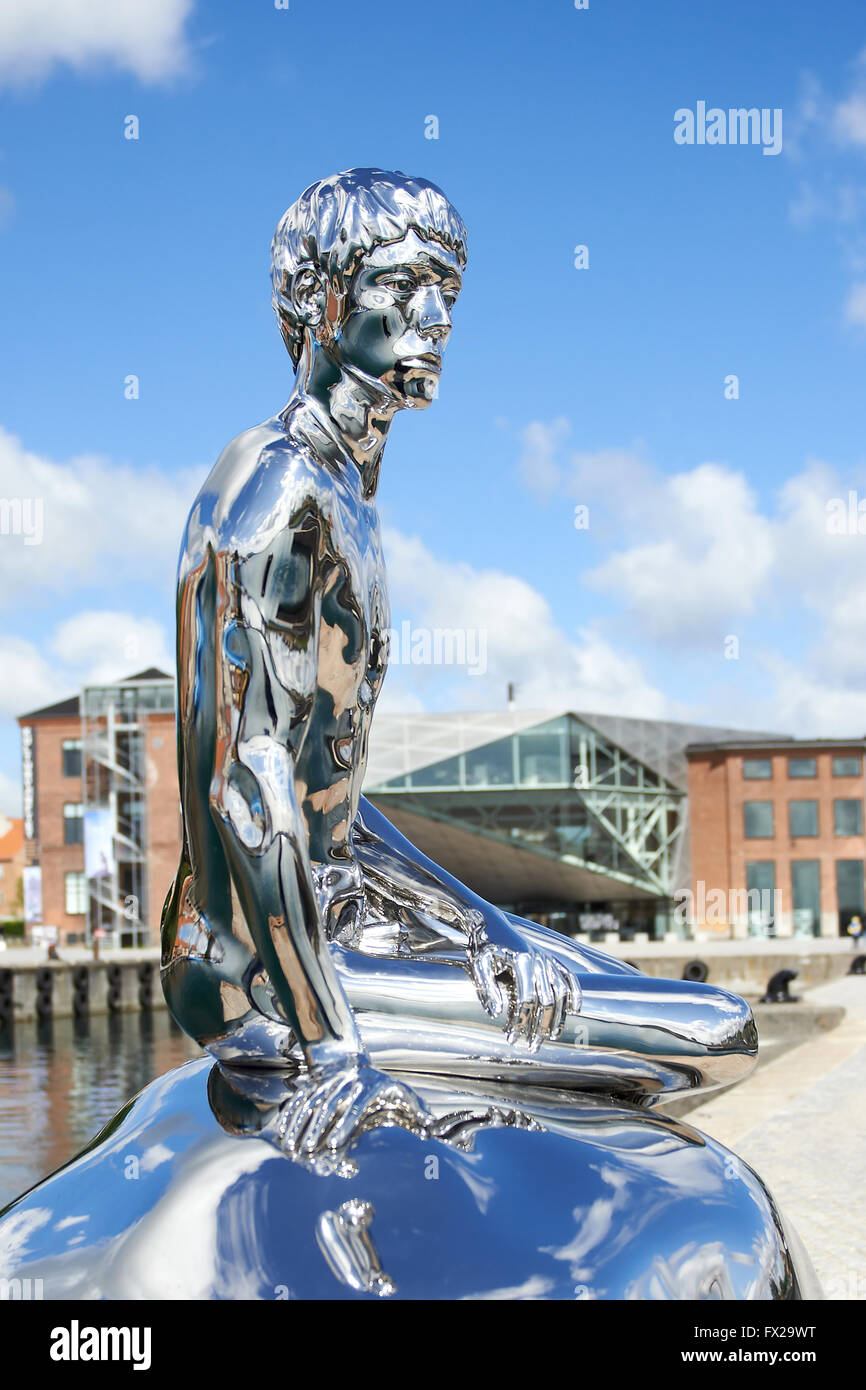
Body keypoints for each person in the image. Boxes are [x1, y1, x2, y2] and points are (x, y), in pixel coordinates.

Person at [161, 169, 754, 1158]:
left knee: (566, 959)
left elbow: (328, 812)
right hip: (255, 973)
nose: (433, 315)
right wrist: (330, 1047)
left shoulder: (346, 495)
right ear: (318, 299)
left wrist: (485, 928)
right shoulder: (278, 495)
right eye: (402, 284)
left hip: (337, 927)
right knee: (712, 1030)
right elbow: (249, 786)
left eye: (448, 289)